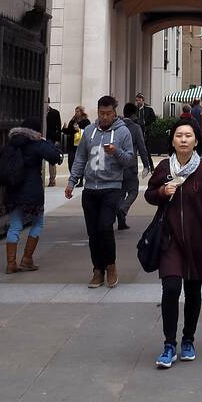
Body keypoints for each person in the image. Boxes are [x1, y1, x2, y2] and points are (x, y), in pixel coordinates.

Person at [145, 118, 202, 368]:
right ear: (172, 140)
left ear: (196, 141)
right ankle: (169, 344)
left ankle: (188, 339)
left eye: (188, 136)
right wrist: (161, 192)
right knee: (170, 288)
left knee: (192, 291)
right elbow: (149, 194)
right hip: (170, 239)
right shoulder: (164, 167)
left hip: (198, 240)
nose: (183, 140)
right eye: (179, 135)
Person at [65, 96, 134, 289]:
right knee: (93, 232)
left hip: (111, 187)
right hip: (90, 188)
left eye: (108, 114)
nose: (104, 117)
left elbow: (129, 159)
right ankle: (97, 269)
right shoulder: (89, 131)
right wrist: (72, 182)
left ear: (115, 113)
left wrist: (116, 152)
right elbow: (80, 158)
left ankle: (110, 265)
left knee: (105, 227)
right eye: (101, 113)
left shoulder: (123, 132)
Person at [2, 115, 62, 274]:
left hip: (13, 190)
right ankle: (27, 259)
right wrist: (43, 140)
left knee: (15, 225)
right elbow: (55, 156)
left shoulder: (12, 143)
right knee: (37, 223)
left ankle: (11, 263)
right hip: (32, 191)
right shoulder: (36, 144)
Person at [118, 102, 152, 230]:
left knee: (121, 192)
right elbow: (142, 148)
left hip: (118, 164)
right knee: (133, 190)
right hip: (130, 164)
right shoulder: (135, 127)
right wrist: (146, 165)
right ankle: (123, 209)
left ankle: (121, 219)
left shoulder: (118, 127)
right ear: (134, 114)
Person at [62, 105, 90, 177]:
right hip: (72, 144)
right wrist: (64, 128)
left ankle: (80, 179)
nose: (76, 113)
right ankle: (73, 176)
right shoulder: (73, 121)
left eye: (78, 111)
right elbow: (68, 132)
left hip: (80, 144)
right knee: (70, 161)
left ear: (81, 112)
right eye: (75, 111)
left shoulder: (85, 121)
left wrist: (79, 130)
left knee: (80, 161)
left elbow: (88, 132)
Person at [45, 99, 62, 187]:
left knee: (51, 160)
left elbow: (58, 126)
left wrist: (57, 140)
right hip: (41, 137)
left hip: (51, 138)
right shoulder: (40, 111)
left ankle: (52, 180)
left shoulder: (55, 112)